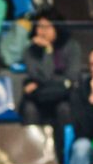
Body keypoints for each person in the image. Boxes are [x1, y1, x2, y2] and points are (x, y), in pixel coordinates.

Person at [21, 12, 81, 148]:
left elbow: (72, 77)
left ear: (57, 28)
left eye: (47, 27)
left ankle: (67, 154)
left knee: (64, 109)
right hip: (40, 99)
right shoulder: (30, 51)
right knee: (29, 109)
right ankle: (35, 156)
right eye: (39, 27)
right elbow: (44, 76)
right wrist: (48, 51)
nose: (42, 32)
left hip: (63, 98)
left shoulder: (71, 47)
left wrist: (41, 84)